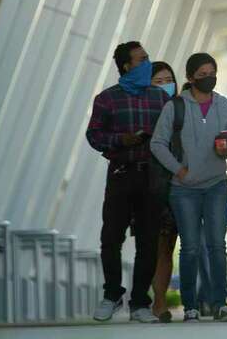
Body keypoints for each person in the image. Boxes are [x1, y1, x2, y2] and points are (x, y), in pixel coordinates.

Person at [150, 52, 227, 323]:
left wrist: (225, 150)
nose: (208, 78)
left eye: (212, 73)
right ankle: (190, 306)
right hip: (184, 188)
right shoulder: (175, 107)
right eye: (202, 75)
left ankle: (219, 303)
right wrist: (179, 170)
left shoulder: (225, 106)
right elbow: (157, 143)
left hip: (216, 185)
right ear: (190, 78)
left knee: (216, 246)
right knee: (189, 248)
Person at [86, 41, 168, 323]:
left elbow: (172, 135)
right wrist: (122, 140)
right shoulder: (107, 99)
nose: (148, 63)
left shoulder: (161, 99)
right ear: (126, 66)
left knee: (148, 241)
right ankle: (112, 295)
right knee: (110, 238)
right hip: (121, 173)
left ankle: (140, 303)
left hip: (152, 176)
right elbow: (94, 136)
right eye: (142, 59)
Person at [148, 61, 179, 323]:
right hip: (147, 185)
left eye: (168, 80)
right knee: (151, 247)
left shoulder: (181, 109)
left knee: (166, 247)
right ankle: (148, 299)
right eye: (158, 81)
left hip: (177, 185)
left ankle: (160, 301)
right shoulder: (143, 111)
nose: (164, 85)